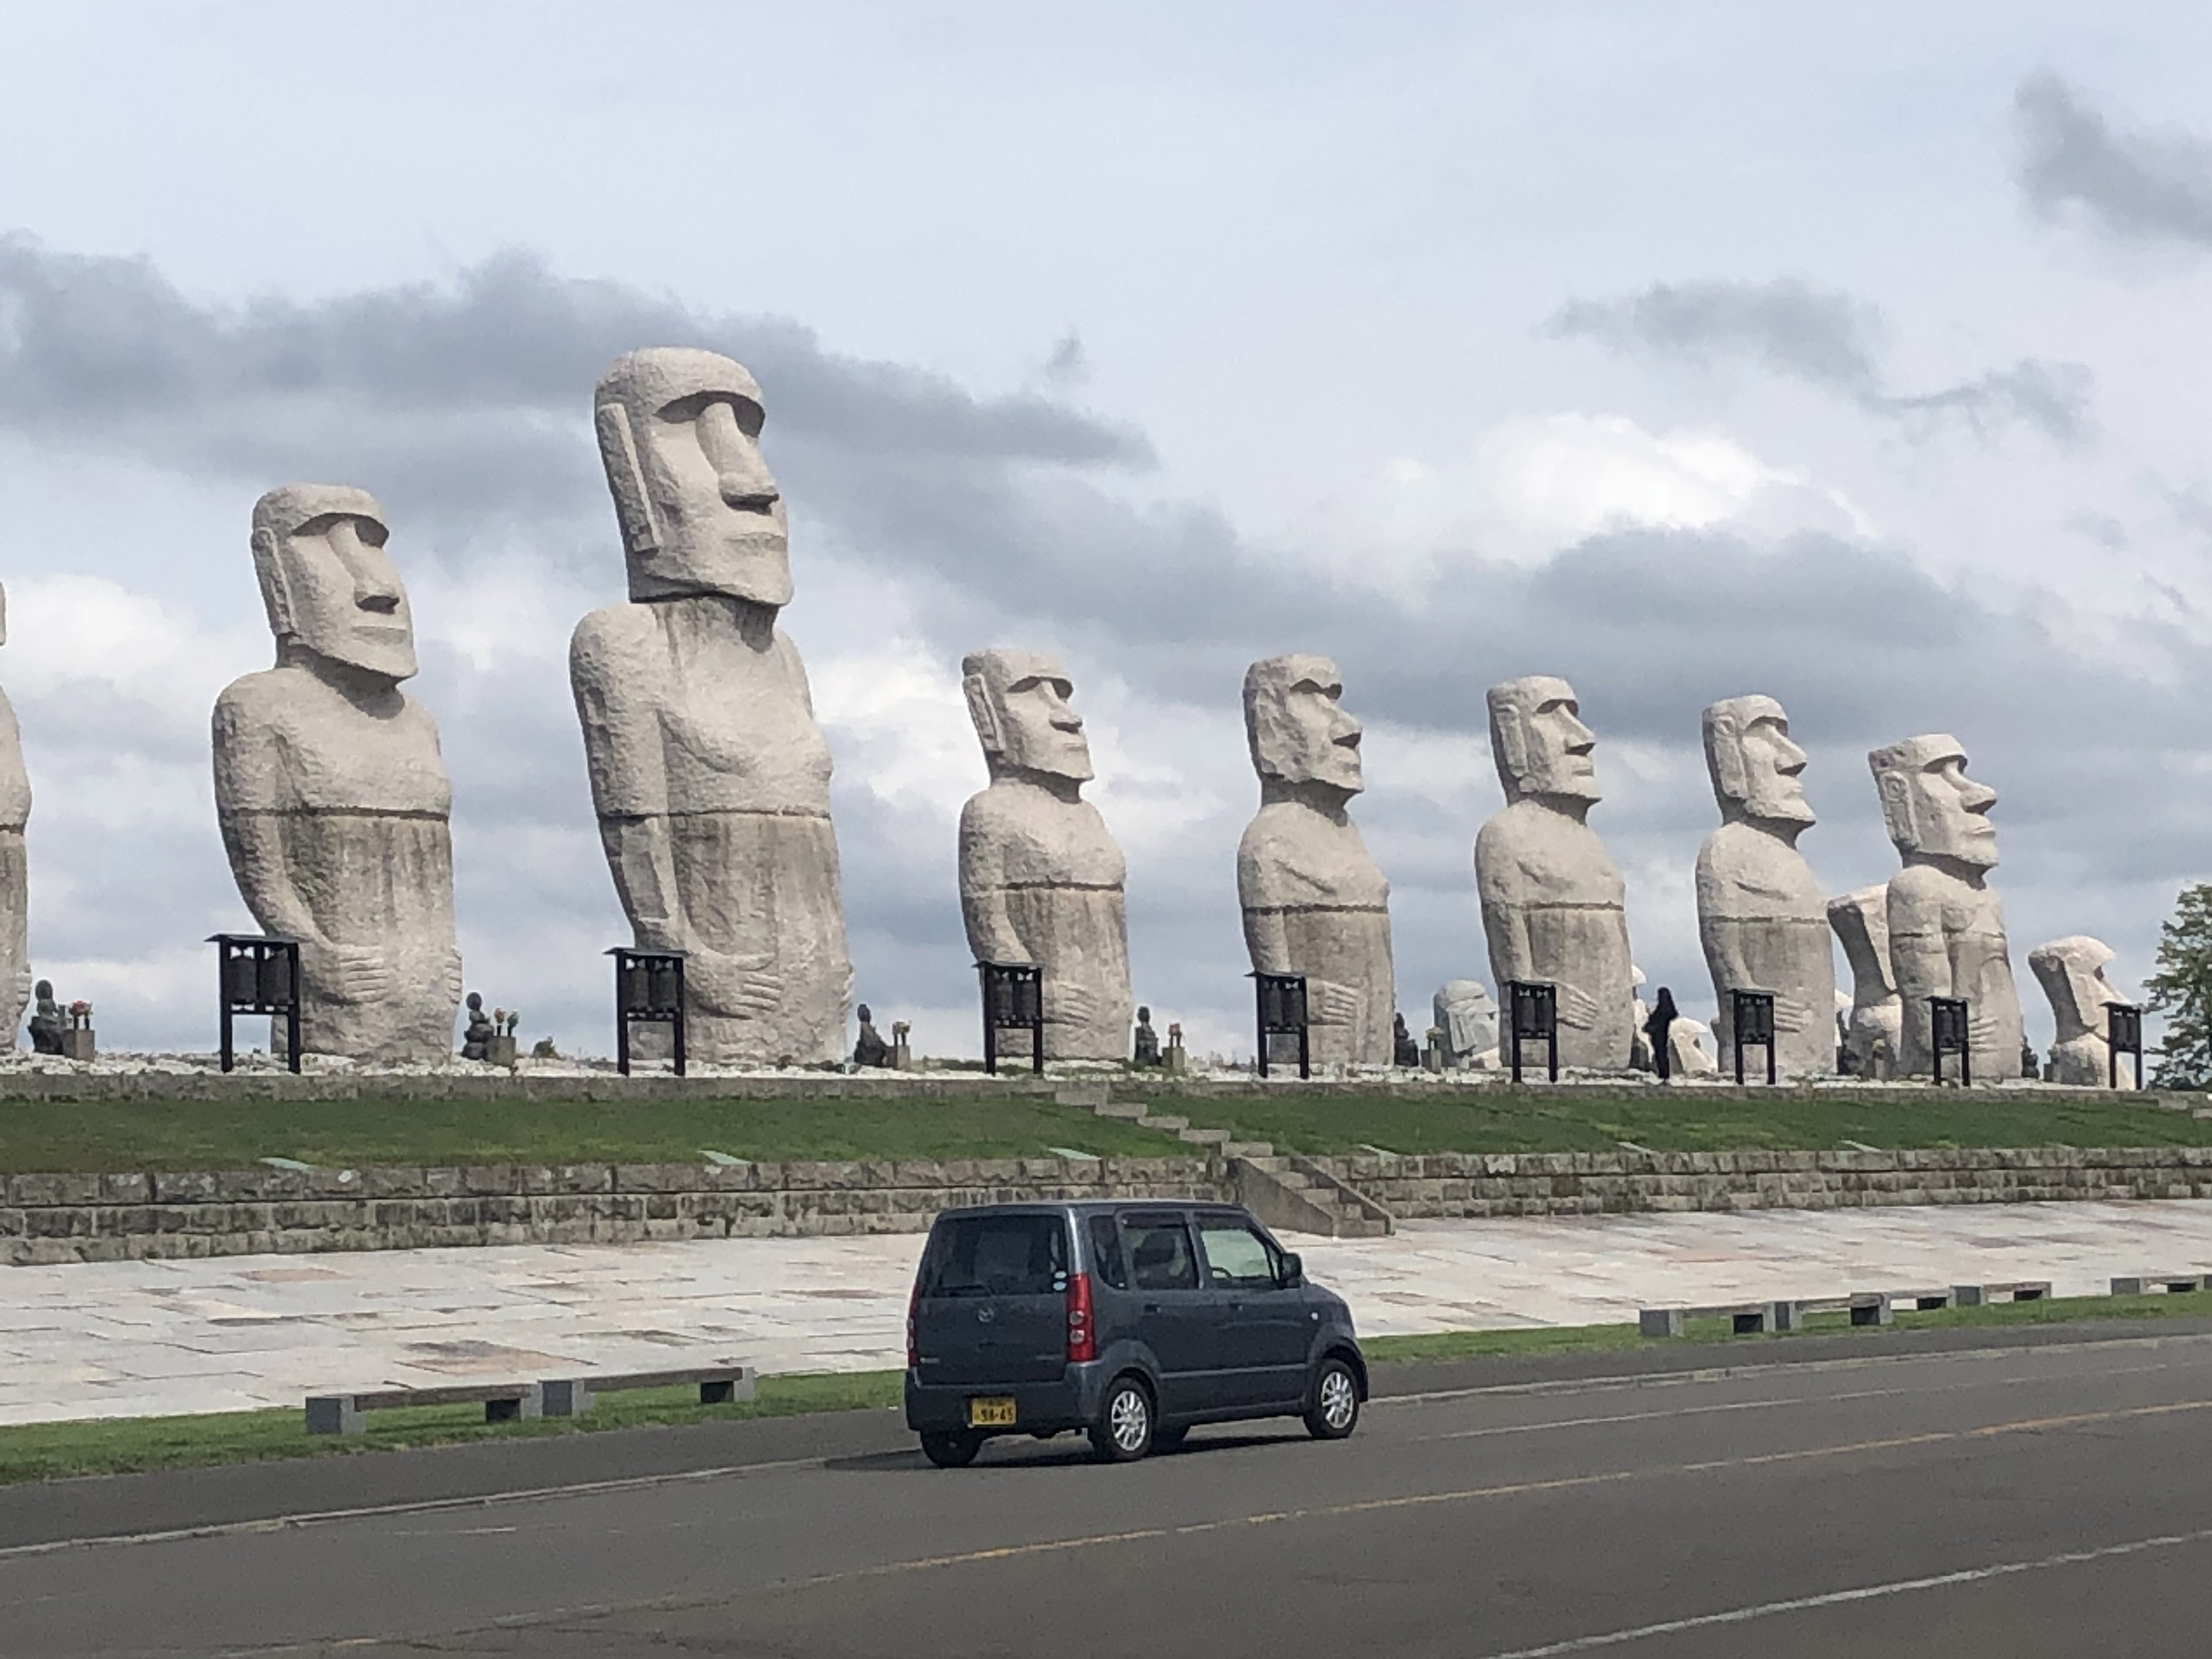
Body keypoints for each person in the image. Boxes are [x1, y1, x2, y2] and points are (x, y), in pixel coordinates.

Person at [1643, 988, 1679, 1082]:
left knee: (1660, 1053)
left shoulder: (1663, 1009)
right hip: (1663, 1034)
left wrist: (1651, 1023)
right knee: (1662, 1053)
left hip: (1659, 1034)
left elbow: (1658, 1021)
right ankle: (1664, 1073)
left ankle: (1663, 1073)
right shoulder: (1666, 1008)